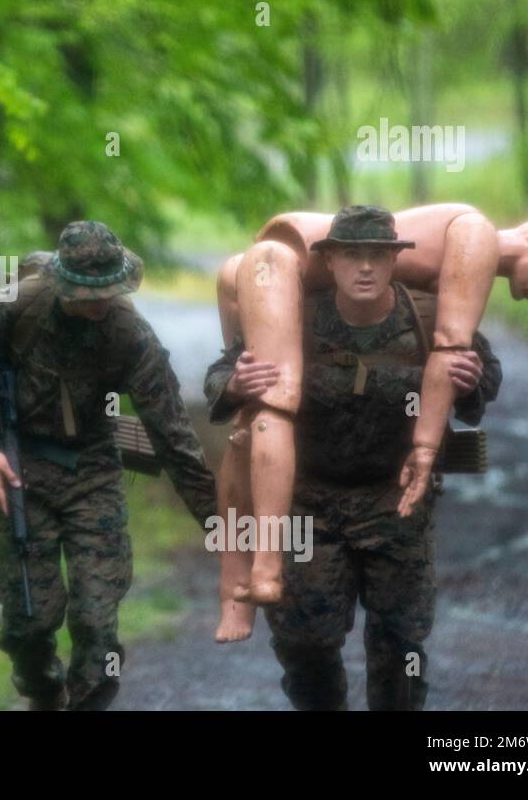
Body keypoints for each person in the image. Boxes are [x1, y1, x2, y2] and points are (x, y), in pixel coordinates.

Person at [213, 203, 528, 636]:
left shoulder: (435, 268)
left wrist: (464, 393)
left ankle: (240, 593)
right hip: (281, 259)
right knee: (272, 399)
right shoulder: (477, 235)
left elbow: (460, 359)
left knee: (252, 418)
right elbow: (450, 345)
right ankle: (259, 569)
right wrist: (425, 448)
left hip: (265, 263)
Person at [205, 205, 502, 708]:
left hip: (396, 503)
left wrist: (472, 384)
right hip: (308, 503)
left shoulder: (427, 314)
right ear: (331, 263)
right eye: (351, 256)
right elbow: (223, 371)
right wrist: (233, 385)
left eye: (377, 256)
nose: (365, 267)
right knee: (303, 640)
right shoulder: (294, 315)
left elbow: (482, 381)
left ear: (394, 262)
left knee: (400, 641)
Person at [0, 220, 217, 710]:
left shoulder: (131, 335)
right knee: (27, 622)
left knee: (96, 619)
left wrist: (221, 525)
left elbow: (173, 436)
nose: (99, 303)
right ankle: (45, 692)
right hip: (19, 469)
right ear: (59, 283)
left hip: (93, 472)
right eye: (86, 294)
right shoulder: (9, 309)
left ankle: (88, 701)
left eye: (108, 292)